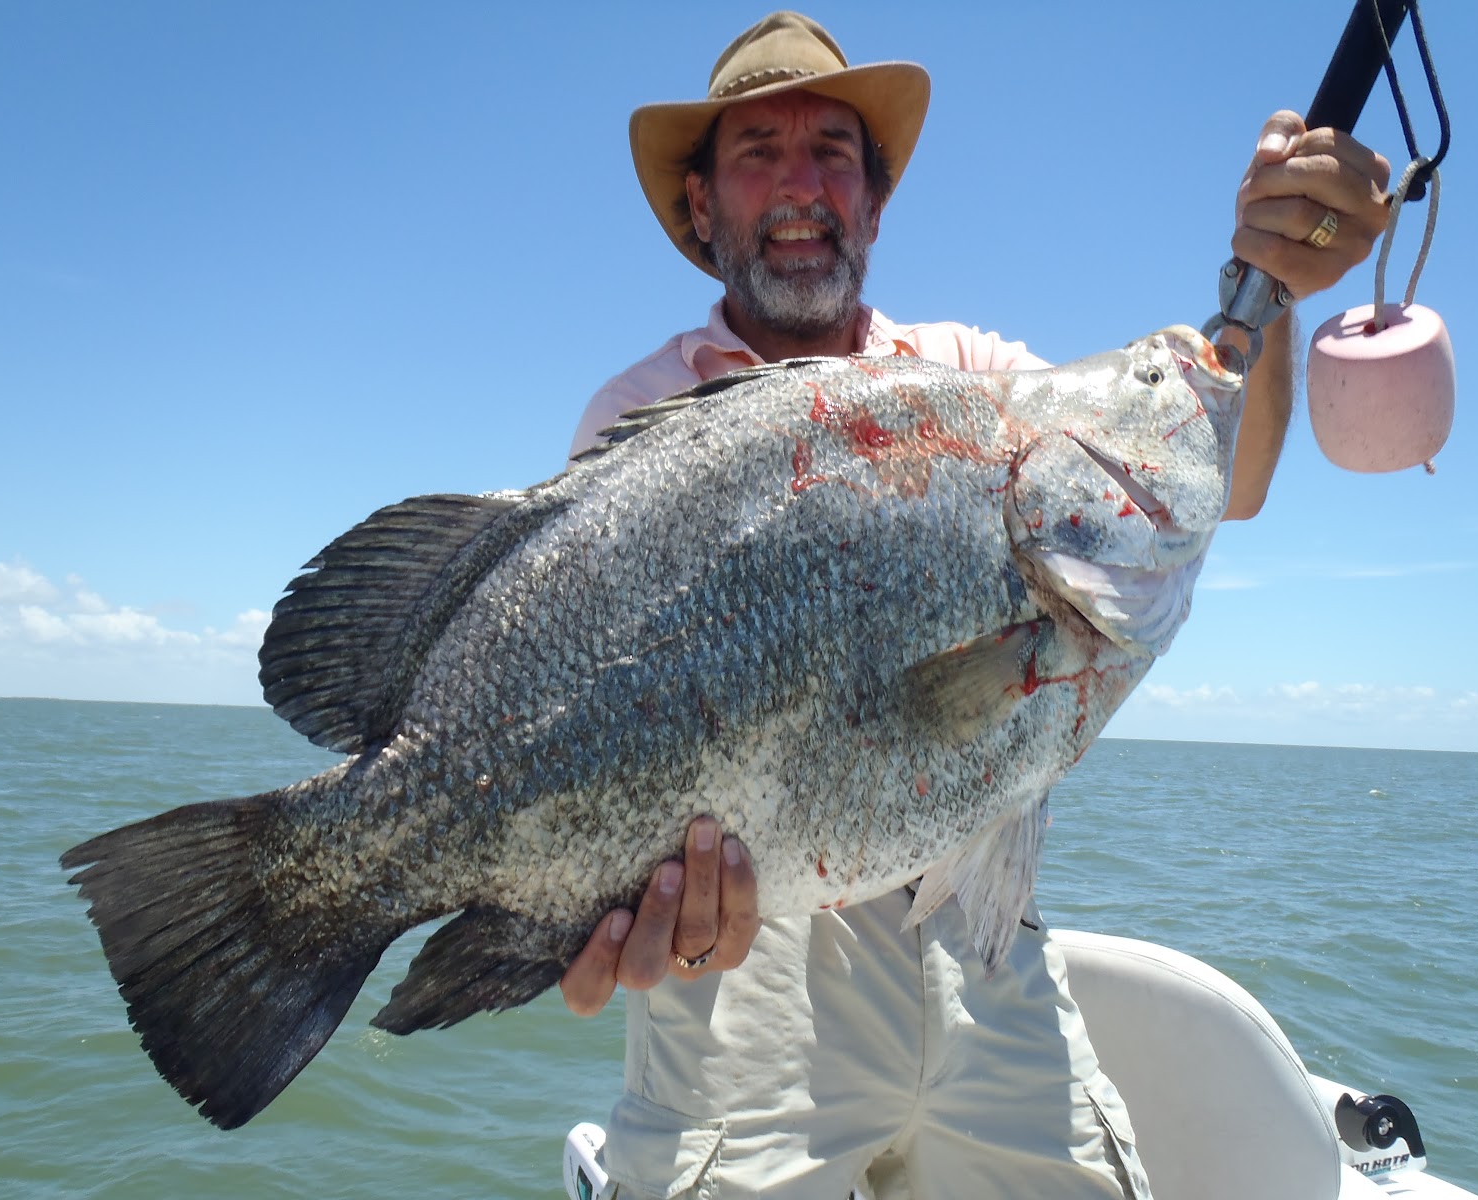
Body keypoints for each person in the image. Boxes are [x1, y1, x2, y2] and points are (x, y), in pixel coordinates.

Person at [556, 12, 1391, 1198]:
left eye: (834, 152)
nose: (801, 183)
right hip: (744, 957)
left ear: (876, 203)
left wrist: (1271, 295)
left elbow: (1218, 479)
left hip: (983, 933)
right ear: (701, 209)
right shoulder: (634, 426)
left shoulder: (977, 381)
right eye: (758, 152)